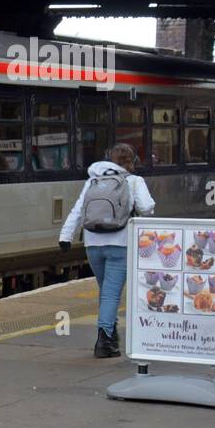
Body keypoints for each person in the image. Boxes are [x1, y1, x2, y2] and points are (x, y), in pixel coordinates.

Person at [58, 143, 155, 358]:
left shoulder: (92, 180)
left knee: (106, 292)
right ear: (133, 161)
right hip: (120, 244)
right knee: (111, 294)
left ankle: (111, 335)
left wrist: (65, 237)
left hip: (93, 244)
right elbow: (147, 208)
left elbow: (77, 210)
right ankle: (105, 341)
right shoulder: (134, 181)